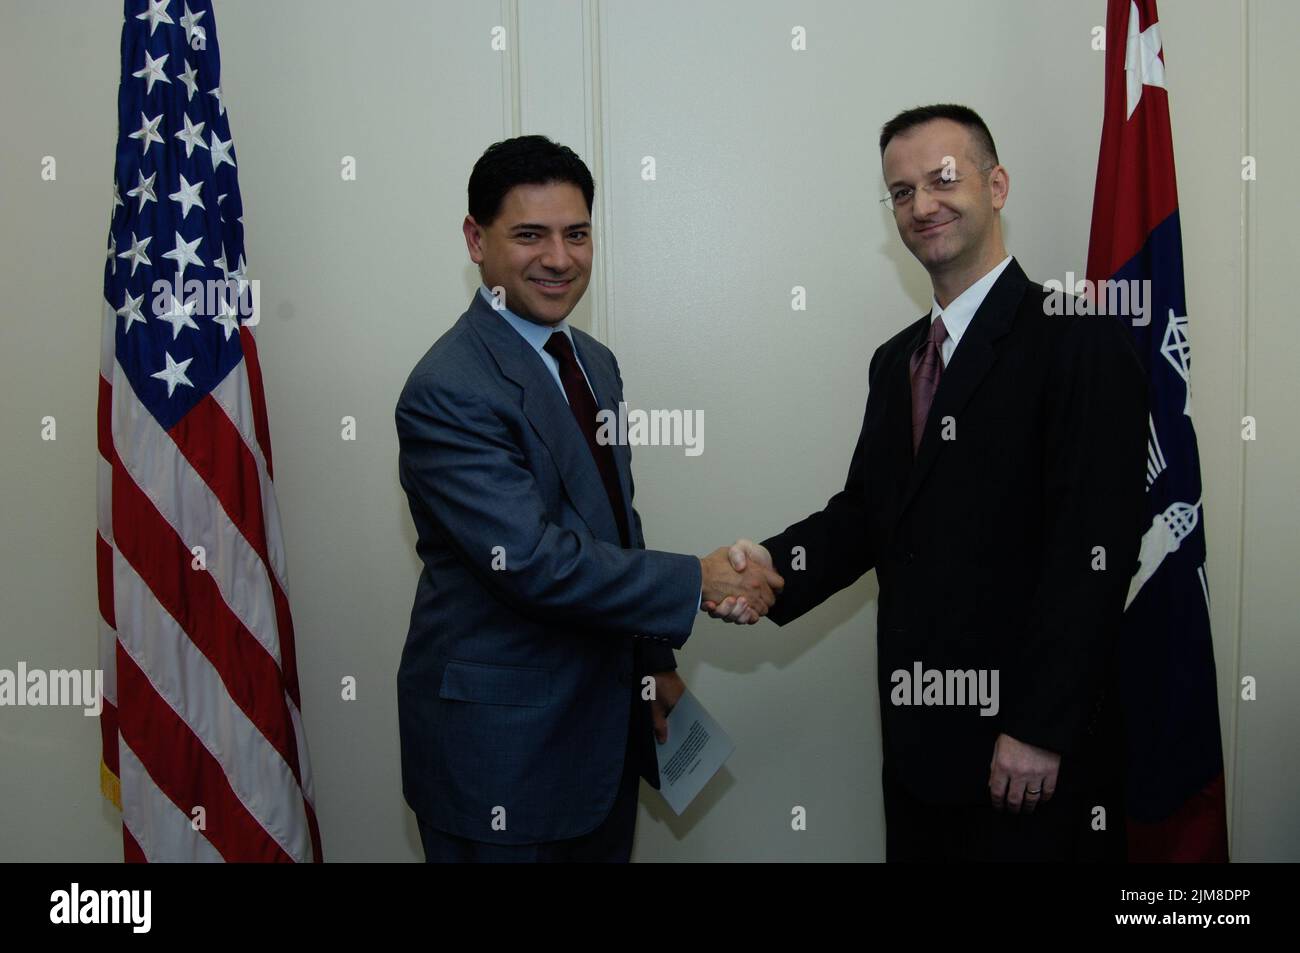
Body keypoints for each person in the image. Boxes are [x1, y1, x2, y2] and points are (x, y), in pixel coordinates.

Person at [706, 105, 1148, 861]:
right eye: (901, 191)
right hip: (917, 751)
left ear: (997, 183)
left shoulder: (1078, 339)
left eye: (943, 178)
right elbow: (867, 516)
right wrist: (768, 572)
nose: (922, 204)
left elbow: (1093, 553)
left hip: (1029, 760)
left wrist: (1039, 727)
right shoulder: (896, 360)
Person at [395, 135, 783, 862]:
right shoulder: (449, 387)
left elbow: (613, 521)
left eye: (576, 233)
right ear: (476, 240)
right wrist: (697, 580)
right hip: (502, 762)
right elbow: (534, 559)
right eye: (530, 235)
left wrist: (652, 659)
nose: (559, 258)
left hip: (602, 735)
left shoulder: (591, 361)